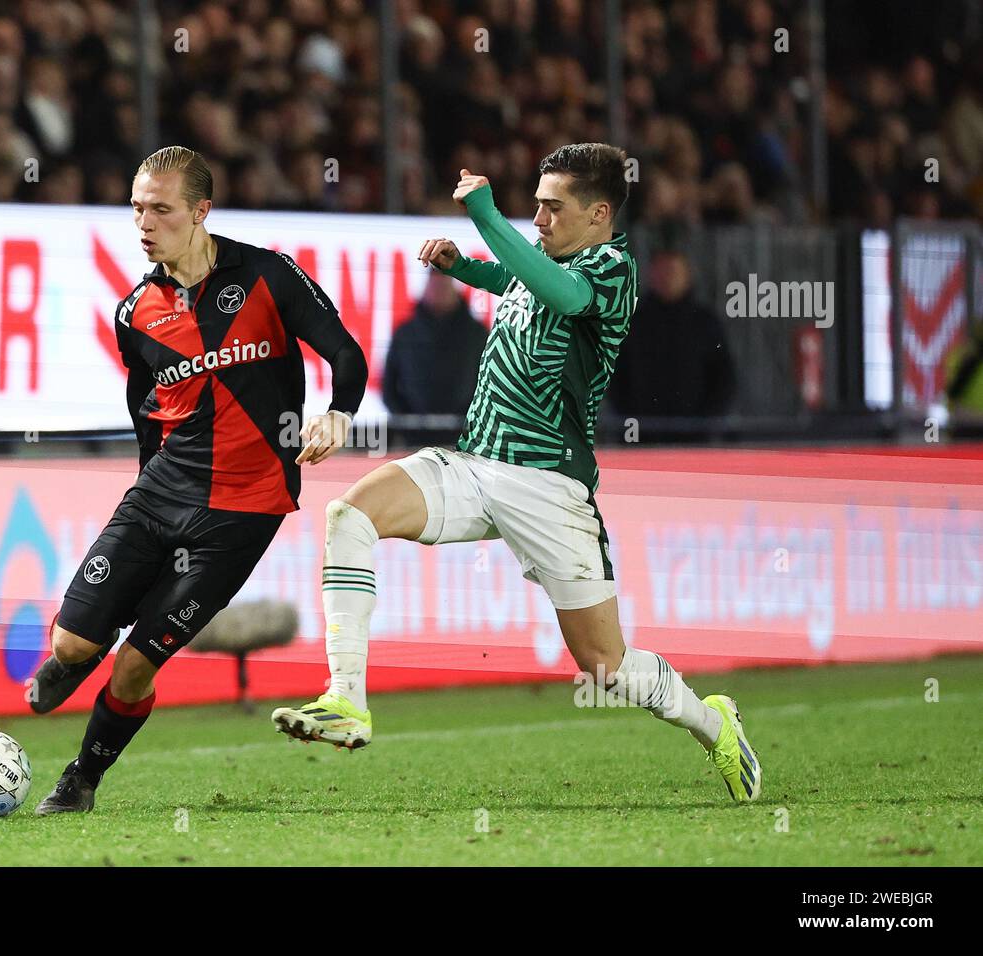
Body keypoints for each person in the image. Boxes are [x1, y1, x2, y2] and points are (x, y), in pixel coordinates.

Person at [271, 143, 762, 803]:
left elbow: (557, 291)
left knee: (605, 669)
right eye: (534, 206)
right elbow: (518, 280)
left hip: (550, 486)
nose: (538, 219)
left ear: (599, 214)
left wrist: (486, 218)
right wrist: (465, 267)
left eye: (552, 208)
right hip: (475, 462)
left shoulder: (614, 269)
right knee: (350, 514)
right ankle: (347, 702)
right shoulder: (544, 262)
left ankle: (712, 721)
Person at [30, 146, 368, 814]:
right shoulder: (134, 316)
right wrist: (143, 494)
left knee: (134, 665)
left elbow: (346, 353)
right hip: (158, 496)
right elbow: (145, 415)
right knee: (70, 642)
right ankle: (83, 647)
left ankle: (80, 781)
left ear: (201, 212)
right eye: (136, 209)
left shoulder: (268, 276)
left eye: (160, 209)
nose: (145, 224)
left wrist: (338, 414)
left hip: (240, 515)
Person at [608, 248, 736, 424]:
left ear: (687, 275)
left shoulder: (704, 321)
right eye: (661, 271)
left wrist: (706, 422)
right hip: (642, 434)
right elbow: (615, 374)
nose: (667, 277)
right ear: (651, 275)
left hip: (694, 435)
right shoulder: (633, 322)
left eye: (673, 271)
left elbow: (723, 377)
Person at [382, 269, 489, 445]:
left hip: (464, 437)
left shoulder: (477, 334)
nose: (439, 291)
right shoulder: (405, 333)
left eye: (444, 285)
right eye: (435, 285)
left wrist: (472, 422)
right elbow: (389, 386)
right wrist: (406, 424)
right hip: (414, 437)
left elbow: (489, 382)